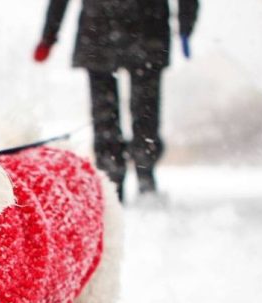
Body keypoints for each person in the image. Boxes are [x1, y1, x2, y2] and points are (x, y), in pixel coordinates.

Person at [34, 0, 199, 200]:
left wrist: (49, 35)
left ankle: (122, 175)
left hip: (104, 29)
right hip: (143, 30)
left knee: (108, 115)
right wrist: (185, 25)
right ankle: (127, 175)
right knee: (143, 112)